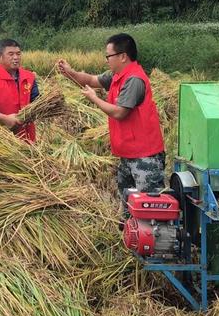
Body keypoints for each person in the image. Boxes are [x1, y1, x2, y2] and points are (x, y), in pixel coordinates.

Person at [57, 33, 166, 217]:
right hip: (128, 154)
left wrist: (94, 99)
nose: (107, 60)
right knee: (129, 207)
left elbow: (120, 113)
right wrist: (70, 72)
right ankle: (130, 240)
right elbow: (91, 80)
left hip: (145, 157)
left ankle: (152, 245)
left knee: (148, 209)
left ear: (122, 56)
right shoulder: (116, 76)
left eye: (109, 56)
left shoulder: (134, 79)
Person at [0, 39, 39, 142]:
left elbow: (37, 101)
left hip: (27, 138)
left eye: (18, 54)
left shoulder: (29, 77)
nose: (16, 57)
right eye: (11, 54)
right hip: (1, 139)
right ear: (0, 56)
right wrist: (4, 119)